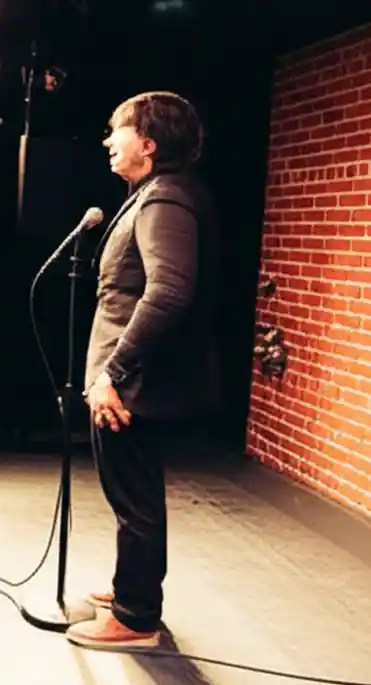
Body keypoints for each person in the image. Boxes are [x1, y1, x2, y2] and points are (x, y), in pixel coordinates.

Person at [66, 91, 222, 650]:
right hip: (128, 381)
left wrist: (112, 371)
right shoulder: (154, 195)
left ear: (149, 143)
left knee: (135, 499)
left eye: (119, 130)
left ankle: (135, 617)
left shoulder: (166, 198)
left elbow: (169, 292)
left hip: (132, 385)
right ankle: (129, 587)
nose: (108, 140)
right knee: (131, 494)